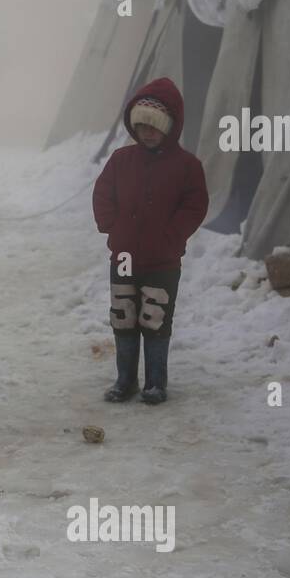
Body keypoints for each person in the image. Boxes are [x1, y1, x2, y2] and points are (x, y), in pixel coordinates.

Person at [92, 78, 209, 405]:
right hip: (125, 258)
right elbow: (103, 194)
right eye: (141, 125)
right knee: (124, 317)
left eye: (155, 126)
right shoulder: (121, 160)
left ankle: (156, 382)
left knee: (155, 320)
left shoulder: (187, 167)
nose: (147, 132)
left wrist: (172, 236)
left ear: (171, 127)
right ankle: (125, 380)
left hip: (162, 261)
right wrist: (112, 228)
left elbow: (195, 205)